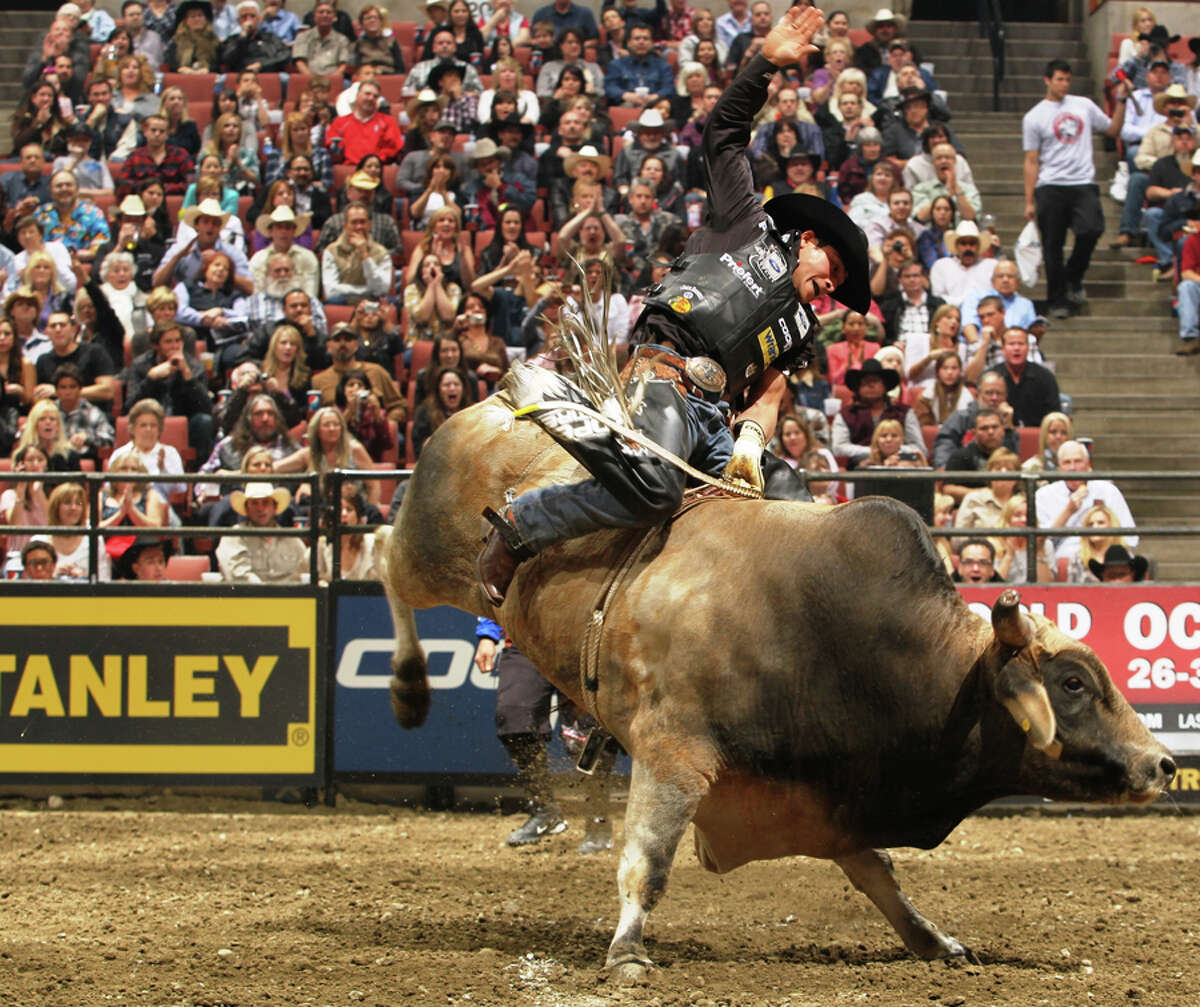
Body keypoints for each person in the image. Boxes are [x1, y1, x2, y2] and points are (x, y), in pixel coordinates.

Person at [477, 8, 868, 604]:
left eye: (839, 286)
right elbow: (724, 134)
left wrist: (751, 444)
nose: (831, 287)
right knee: (656, 488)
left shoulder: (801, 326)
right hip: (663, 380)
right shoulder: (748, 223)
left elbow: (770, 391)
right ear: (809, 241)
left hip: (717, 421)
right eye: (832, 271)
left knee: (788, 495)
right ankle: (521, 525)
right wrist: (764, 63)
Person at [473, 617, 616, 851]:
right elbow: (497, 583)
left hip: (583, 640)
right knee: (513, 718)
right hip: (524, 638)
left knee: (586, 738)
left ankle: (598, 818)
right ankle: (544, 809)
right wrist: (488, 634)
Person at [1024, 59, 1127, 319]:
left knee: (1093, 229)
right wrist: (1029, 200)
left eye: (1068, 79)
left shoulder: (1083, 105)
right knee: (1052, 245)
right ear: (1047, 80)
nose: (1064, 84)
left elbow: (1112, 129)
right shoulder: (1034, 116)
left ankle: (1074, 275)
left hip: (1082, 183)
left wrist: (1122, 102)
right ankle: (1057, 299)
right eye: (1059, 79)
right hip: (1050, 185)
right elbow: (1031, 160)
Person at [1035, 440, 1137, 566]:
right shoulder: (1044, 495)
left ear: (1088, 465)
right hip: (1062, 562)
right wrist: (1068, 511)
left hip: (1104, 562)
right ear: (1059, 468)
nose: (1073, 468)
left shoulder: (1108, 491)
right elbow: (1040, 542)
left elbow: (1131, 538)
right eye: (1067, 463)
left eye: (1078, 461)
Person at [831, 357, 923, 467]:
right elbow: (838, 448)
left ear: (885, 386)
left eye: (875, 381)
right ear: (858, 387)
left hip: (899, 467)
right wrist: (875, 452)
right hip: (859, 470)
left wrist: (894, 452)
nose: (870, 385)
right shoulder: (846, 414)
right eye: (865, 382)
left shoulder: (904, 412)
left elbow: (919, 448)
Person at [311, 324, 406, 423]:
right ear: (328, 346)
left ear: (356, 345)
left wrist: (387, 423)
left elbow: (399, 406)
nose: (342, 344)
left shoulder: (376, 371)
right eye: (337, 340)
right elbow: (314, 418)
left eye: (348, 339)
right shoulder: (318, 380)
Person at [216, 482, 308, 583]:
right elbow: (238, 575)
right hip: (249, 597)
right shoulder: (234, 536)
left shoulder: (291, 539)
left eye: (265, 502)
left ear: (275, 507)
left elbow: (305, 571)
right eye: (255, 503)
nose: (260, 508)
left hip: (290, 596)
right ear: (247, 508)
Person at [985, 327, 1059, 430]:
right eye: (1011, 344)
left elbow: (1054, 416)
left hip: (1037, 437)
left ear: (1028, 348)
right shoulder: (990, 377)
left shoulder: (1045, 377)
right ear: (1003, 348)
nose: (1016, 348)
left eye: (1021, 344)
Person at [33, 481, 109, 580]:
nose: (73, 508)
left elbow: (103, 579)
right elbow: (31, 580)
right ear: (56, 507)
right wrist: (52, 575)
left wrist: (84, 576)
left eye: (78, 503)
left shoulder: (94, 537)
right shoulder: (40, 541)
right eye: (67, 502)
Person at [53, 362, 113, 461]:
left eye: (72, 387)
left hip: (83, 460)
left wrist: (88, 438)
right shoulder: (47, 411)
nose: (68, 392)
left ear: (80, 389)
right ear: (56, 391)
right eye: (63, 387)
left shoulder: (93, 412)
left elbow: (109, 439)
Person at [928, 219, 995, 307]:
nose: (968, 248)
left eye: (972, 243)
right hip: (951, 316)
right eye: (963, 243)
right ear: (956, 246)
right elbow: (938, 298)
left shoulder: (991, 266)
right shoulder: (942, 266)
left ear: (978, 246)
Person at [218, 0, 290, 72]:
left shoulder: (271, 38)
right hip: (242, 77)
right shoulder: (233, 40)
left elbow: (285, 55)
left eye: (252, 16)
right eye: (244, 17)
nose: (248, 20)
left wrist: (262, 65)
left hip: (267, 75)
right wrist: (242, 38)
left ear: (258, 19)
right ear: (239, 21)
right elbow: (226, 59)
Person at [291, 0, 353, 77]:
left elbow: (343, 65)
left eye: (328, 12)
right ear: (314, 17)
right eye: (321, 12)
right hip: (308, 78)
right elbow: (299, 62)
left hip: (333, 79)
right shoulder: (303, 37)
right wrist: (312, 79)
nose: (325, 15)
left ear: (334, 17)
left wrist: (331, 80)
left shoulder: (342, 40)